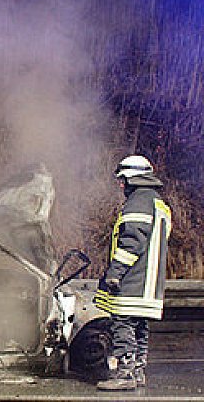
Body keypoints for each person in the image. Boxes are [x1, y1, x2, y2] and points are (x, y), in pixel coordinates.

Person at [94, 154, 172, 391]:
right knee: (139, 326)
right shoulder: (158, 202)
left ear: (132, 178)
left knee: (122, 322)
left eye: (122, 179)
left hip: (134, 279)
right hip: (151, 280)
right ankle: (138, 372)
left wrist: (115, 271)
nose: (120, 185)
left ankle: (125, 374)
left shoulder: (138, 201)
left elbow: (132, 241)